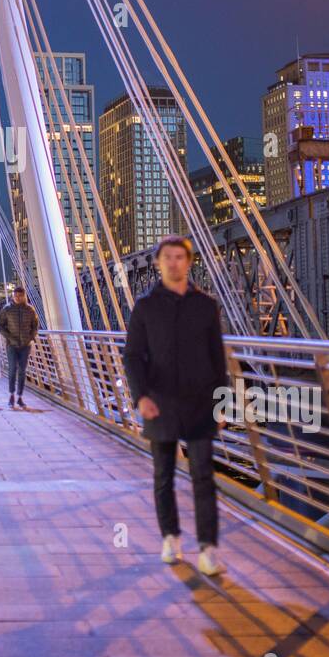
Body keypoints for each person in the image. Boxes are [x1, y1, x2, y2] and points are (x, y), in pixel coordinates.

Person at [123, 235, 228, 577]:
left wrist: (220, 405)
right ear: (157, 263)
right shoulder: (146, 306)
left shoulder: (206, 305)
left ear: (189, 261)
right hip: (160, 402)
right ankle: (170, 537)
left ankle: (208, 548)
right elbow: (133, 357)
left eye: (179, 257)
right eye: (167, 257)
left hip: (200, 403)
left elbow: (218, 361)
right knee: (163, 475)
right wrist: (141, 397)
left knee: (203, 476)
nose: (173, 262)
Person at [0, 285, 39, 409]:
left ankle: (20, 396)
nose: (17, 298)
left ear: (24, 296)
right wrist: (9, 338)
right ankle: (11, 395)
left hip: (25, 345)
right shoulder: (7, 309)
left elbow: (35, 326)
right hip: (11, 345)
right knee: (12, 370)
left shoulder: (30, 310)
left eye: (20, 296)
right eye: (15, 296)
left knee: (22, 371)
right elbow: (0, 326)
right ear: (13, 296)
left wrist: (30, 337)